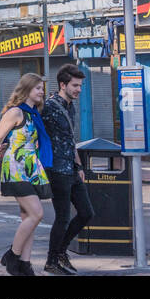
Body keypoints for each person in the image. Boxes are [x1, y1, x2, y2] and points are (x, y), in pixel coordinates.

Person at [0, 72, 52, 276]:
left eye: (42, 89)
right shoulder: (16, 112)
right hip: (16, 168)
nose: (42, 92)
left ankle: (24, 264)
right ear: (26, 89)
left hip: (31, 167)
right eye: (38, 88)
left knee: (28, 216)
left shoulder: (34, 114)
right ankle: (12, 255)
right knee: (37, 214)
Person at [42, 64, 93, 275]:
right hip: (56, 170)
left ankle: (61, 252)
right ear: (63, 84)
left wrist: (79, 165)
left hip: (71, 169)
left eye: (80, 85)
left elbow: (70, 139)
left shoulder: (70, 106)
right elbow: (34, 130)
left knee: (87, 213)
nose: (78, 89)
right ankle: (51, 260)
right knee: (62, 217)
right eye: (75, 85)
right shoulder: (49, 106)